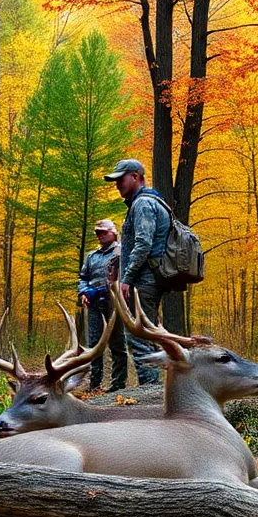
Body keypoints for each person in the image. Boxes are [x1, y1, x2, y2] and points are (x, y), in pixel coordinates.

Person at [104, 159, 170, 386]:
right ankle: (156, 391)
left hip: (144, 281)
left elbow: (143, 243)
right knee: (147, 336)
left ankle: (150, 394)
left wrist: (127, 279)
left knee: (138, 336)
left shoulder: (142, 204)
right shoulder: (146, 202)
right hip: (147, 279)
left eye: (120, 179)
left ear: (135, 176)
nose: (117, 184)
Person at [77, 219, 129, 391]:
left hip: (114, 304)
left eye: (103, 232)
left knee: (117, 344)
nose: (99, 236)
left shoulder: (121, 252)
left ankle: (118, 385)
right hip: (94, 305)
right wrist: (85, 292)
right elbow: (83, 278)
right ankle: (94, 385)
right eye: (97, 233)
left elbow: (126, 277)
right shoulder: (91, 256)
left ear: (113, 232)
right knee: (94, 345)